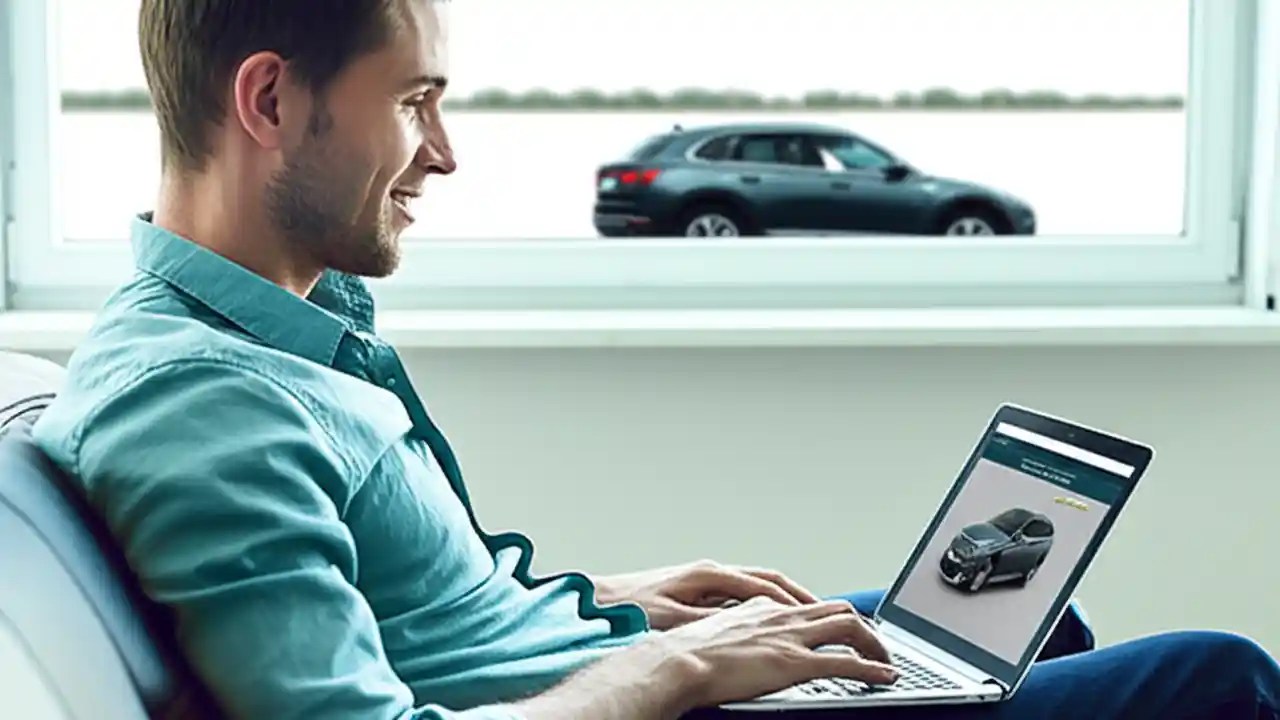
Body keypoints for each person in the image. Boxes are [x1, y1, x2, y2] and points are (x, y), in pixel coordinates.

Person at [30, 2, 1280, 719]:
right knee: (1217, 679)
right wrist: (659, 666)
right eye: (412, 101)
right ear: (267, 102)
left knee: (1028, 630)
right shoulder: (201, 405)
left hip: (596, 673)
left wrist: (609, 600)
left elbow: (403, 612)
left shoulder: (268, 336)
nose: (444, 152)